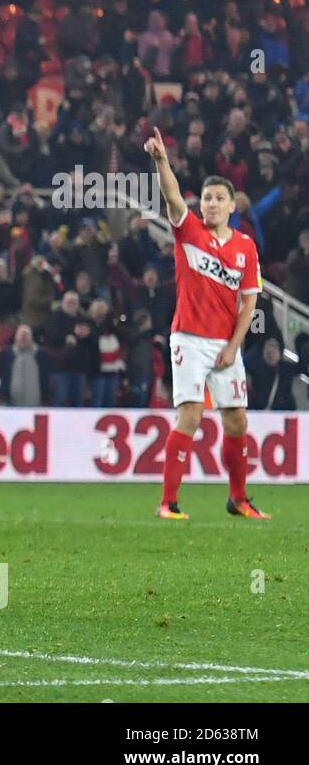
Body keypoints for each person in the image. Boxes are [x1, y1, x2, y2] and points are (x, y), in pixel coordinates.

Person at [143, 127, 269, 521]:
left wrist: (234, 346)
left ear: (233, 206)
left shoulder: (246, 247)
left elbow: (249, 302)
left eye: (219, 199)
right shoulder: (188, 230)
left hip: (225, 343)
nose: (211, 204)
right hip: (189, 339)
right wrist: (162, 162)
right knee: (192, 414)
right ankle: (169, 503)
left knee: (237, 419)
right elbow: (172, 196)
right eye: (207, 198)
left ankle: (238, 498)